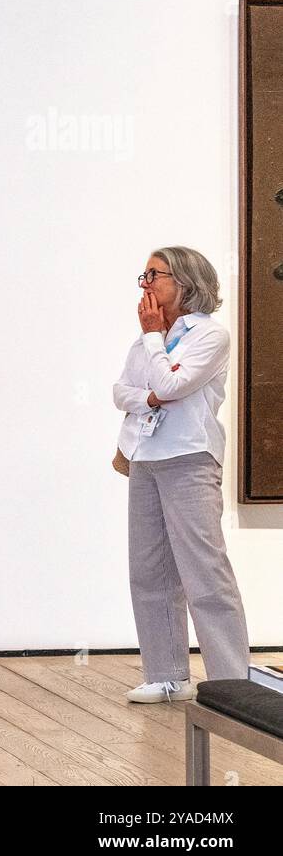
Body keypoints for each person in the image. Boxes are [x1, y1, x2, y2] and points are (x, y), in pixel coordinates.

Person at [113, 246, 249, 703]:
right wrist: (149, 394)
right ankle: (167, 675)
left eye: (155, 274)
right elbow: (122, 390)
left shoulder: (210, 336)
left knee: (205, 571)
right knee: (149, 569)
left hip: (190, 458)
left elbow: (172, 384)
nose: (146, 283)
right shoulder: (145, 339)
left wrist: (154, 344)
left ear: (186, 282)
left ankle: (231, 682)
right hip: (145, 457)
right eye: (144, 275)